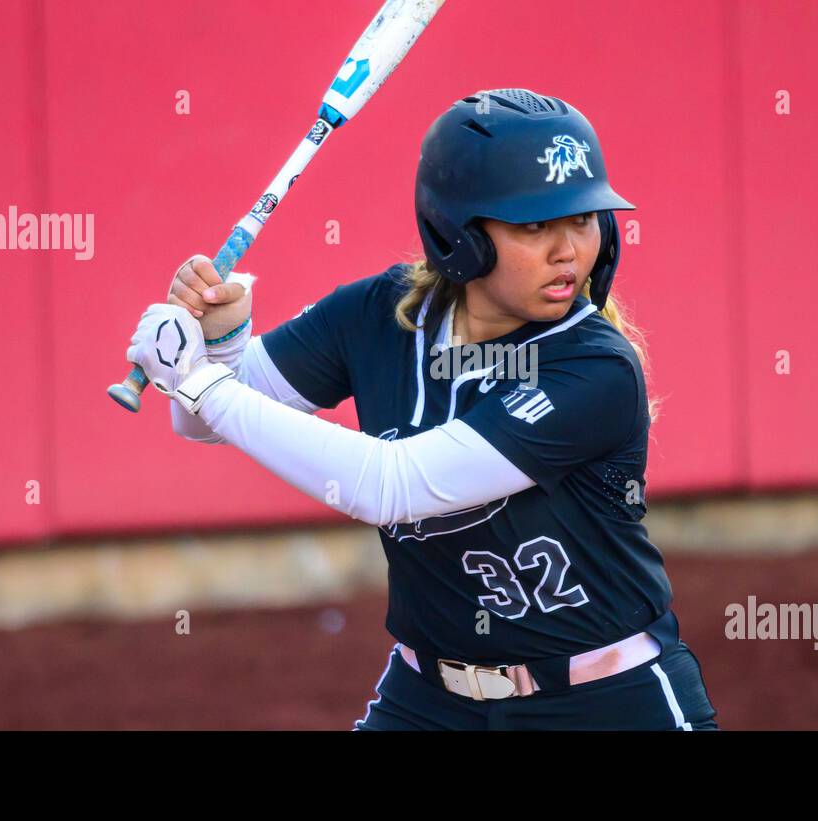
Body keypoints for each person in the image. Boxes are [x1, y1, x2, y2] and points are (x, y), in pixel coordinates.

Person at [127, 88, 719, 730]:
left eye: (582, 219)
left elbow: (392, 486)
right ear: (459, 236)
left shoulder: (596, 367)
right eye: (532, 226)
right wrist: (218, 344)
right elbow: (201, 423)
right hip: (428, 700)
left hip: (606, 704)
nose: (568, 250)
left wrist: (202, 380)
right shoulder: (379, 312)